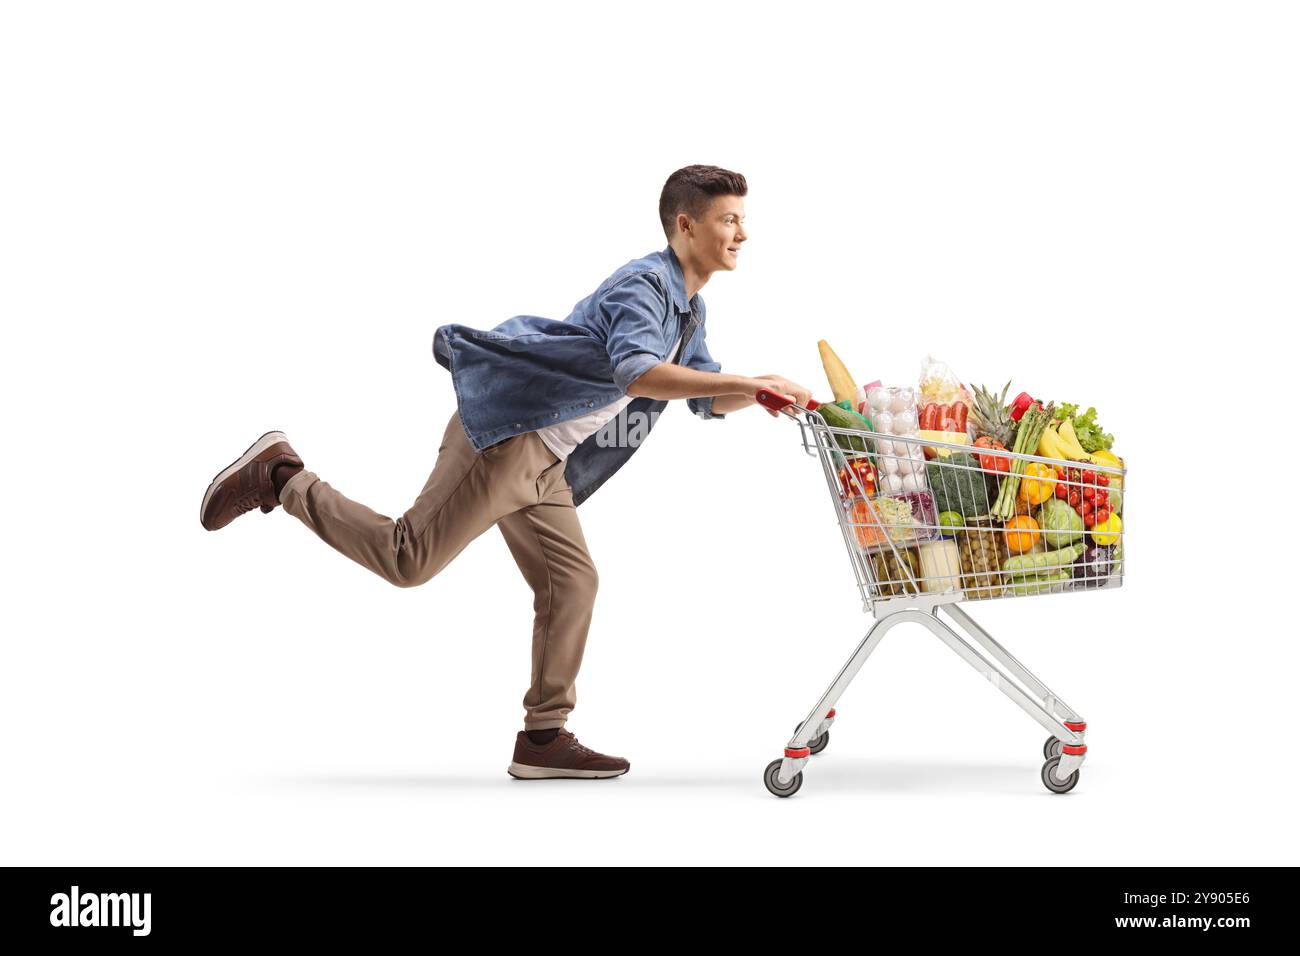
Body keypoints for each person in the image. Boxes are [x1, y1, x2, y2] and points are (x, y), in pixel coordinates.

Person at [200, 165, 813, 780]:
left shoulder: (687, 310)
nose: (742, 234)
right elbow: (637, 372)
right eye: (730, 219)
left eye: (742, 220)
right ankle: (282, 477)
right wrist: (746, 382)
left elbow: (703, 397)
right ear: (687, 225)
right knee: (407, 559)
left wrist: (757, 395)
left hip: (546, 460)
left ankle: (543, 739)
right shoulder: (645, 286)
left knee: (572, 583)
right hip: (510, 438)